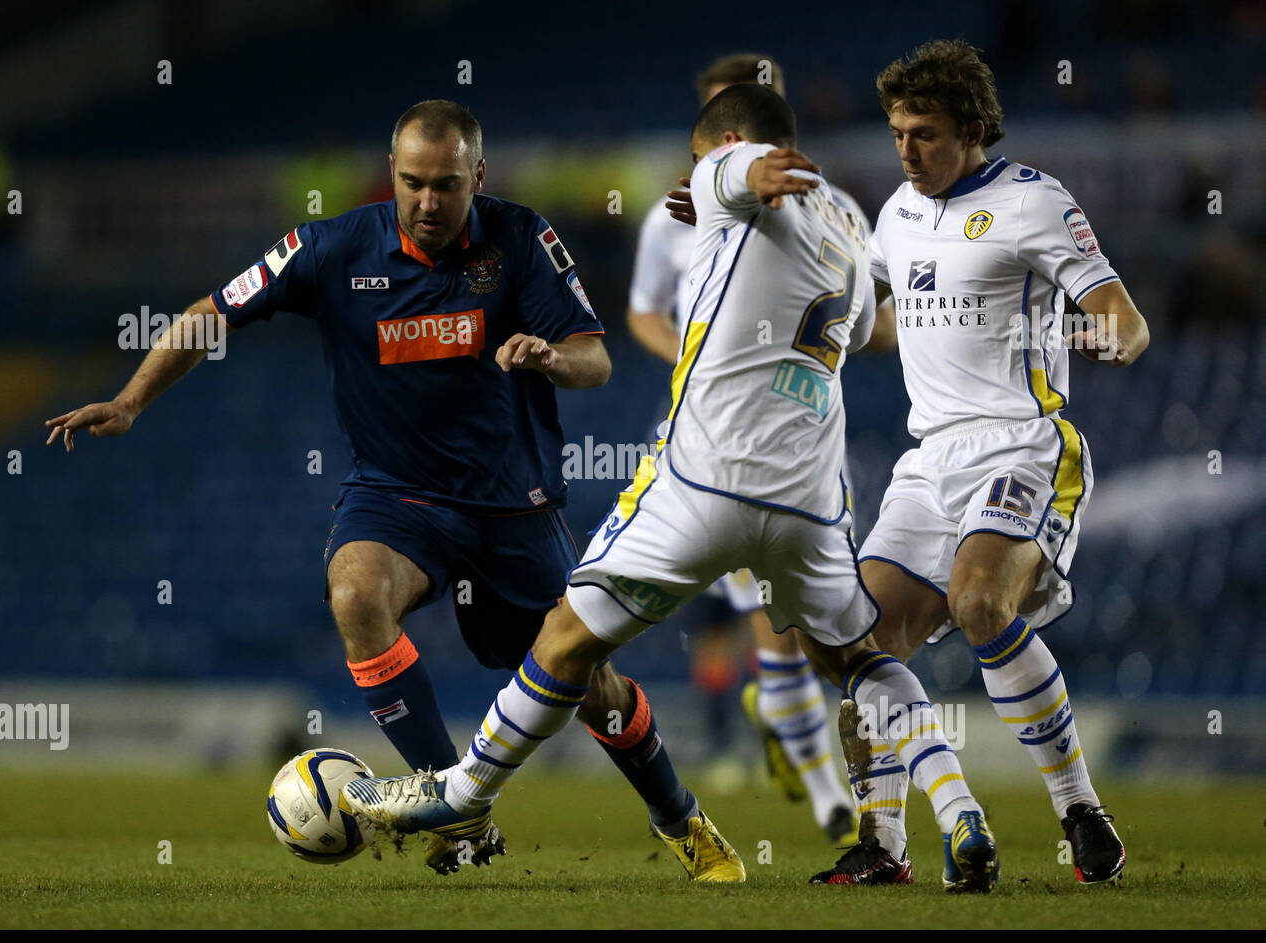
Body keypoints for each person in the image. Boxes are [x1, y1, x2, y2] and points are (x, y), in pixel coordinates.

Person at [44, 99, 737, 880]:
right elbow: (214, 312)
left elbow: (595, 359)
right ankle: (460, 816)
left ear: (478, 174)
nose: (429, 202)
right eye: (412, 183)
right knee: (354, 595)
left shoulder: (520, 238)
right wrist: (132, 400)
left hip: (514, 506)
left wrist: (548, 356)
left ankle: (681, 817)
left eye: (446, 185)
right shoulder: (332, 246)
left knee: (593, 688)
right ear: (393, 173)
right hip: (396, 494)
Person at [344, 85, 1000, 893]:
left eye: (703, 160)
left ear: (723, 140)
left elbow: (739, 169)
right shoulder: (851, 225)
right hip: (811, 498)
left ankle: (462, 794)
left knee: (566, 641)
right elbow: (869, 328)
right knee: (859, 656)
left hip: (706, 476)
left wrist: (737, 175)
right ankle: (960, 813)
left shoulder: (739, 164)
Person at [839, 40, 1149, 886]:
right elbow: (887, 319)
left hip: (1022, 444)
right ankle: (888, 843)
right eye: (898, 132)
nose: (906, 150)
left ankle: (1080, 809)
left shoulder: (1034, 201)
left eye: (926, 134)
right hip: (929, 458)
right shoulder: (896, 214)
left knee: (980, 603)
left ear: (973, 130)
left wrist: (1109, 338)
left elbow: (1123, 316)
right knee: (859, 638)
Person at [628, 52, 857, 845]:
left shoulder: (835, 209)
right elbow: (643, 313)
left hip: (795, 433)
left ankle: (810, 758)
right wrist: (698, 359)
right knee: (770, 622)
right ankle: (831, 792)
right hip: (714, 437)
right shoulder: (672, 215)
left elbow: (869, 314)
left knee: (790, 627)